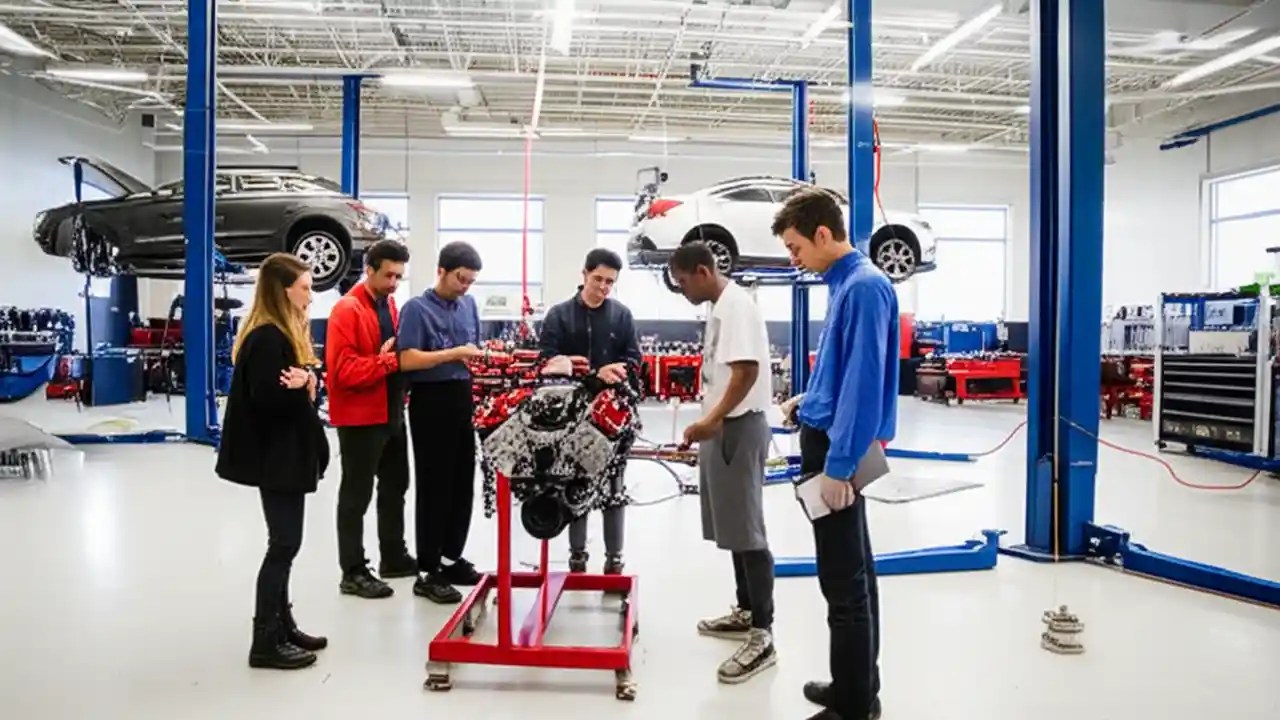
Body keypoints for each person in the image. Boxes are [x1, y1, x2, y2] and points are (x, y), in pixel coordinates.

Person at [772, 187, 898, 720]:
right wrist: (810, 397)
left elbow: (865, 388)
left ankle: (852, 706)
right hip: (828, 437)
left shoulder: (864, 287)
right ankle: (856, 684)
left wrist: (838, 467)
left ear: (824, 234)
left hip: (837, 453)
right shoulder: (844, 283)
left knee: (843, 583)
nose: (793, 258)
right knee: (854, 572)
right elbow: (843, 372)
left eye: (796, 247)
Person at [668, 241, 777, 685]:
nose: (681, 291)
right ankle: (747, 610)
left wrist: (711, 421)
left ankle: (763, 634)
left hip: (737, 427)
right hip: (722, 426)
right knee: (732, 526)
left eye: (681, 282)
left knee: (748, 531)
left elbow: (746, 371)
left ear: (701, 271)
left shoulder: (735, 306)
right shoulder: (720, 306)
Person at [215, 252, 331, 670]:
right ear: (284, 291)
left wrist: (309, 380)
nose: (311, 297)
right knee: (283, 544)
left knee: (286, 543)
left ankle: (282, 625)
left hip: (284, 456)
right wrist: (302, 388)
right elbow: (269, 402)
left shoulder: (282, 334)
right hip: (275, 458)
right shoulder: (268, 339)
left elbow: (293, 392)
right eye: (305, 288)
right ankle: (265, 640)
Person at [537, 248, 643, 574]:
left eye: (610, 282)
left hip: (612, 417)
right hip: (570, 416)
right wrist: (587, 375)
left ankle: (614, 561)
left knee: (614, 487)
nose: (603, 287)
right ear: (584, 274)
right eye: (598, 279)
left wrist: (622, 371)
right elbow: (545, 364)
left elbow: (635, 362)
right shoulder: (558, 316)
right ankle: (577, 558)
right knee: (576, 483)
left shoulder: (622, 316)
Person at [397, 241, 487, 604]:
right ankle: (427, 570)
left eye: (470, 281)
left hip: (462, 397)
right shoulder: (416, 309)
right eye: (461, 279)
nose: (465, 287)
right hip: (430, 402)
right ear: (441, 271)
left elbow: (474, 350)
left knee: (462, 482)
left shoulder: (469, 306)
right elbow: (406, 359)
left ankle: (451, 558)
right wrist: (453, 354)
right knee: (434, 486)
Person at [325, 239, 416, 599]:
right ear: (370, 270)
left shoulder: (389, 305)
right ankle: (353, 570)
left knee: (396, 487)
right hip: (361, 418)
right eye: (389, 274)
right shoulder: (346, 310)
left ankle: (393, 555)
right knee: (356, 495)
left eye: (399, 276)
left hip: (392, 412)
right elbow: (345, 371)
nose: (394, 282)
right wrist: (391, 361)